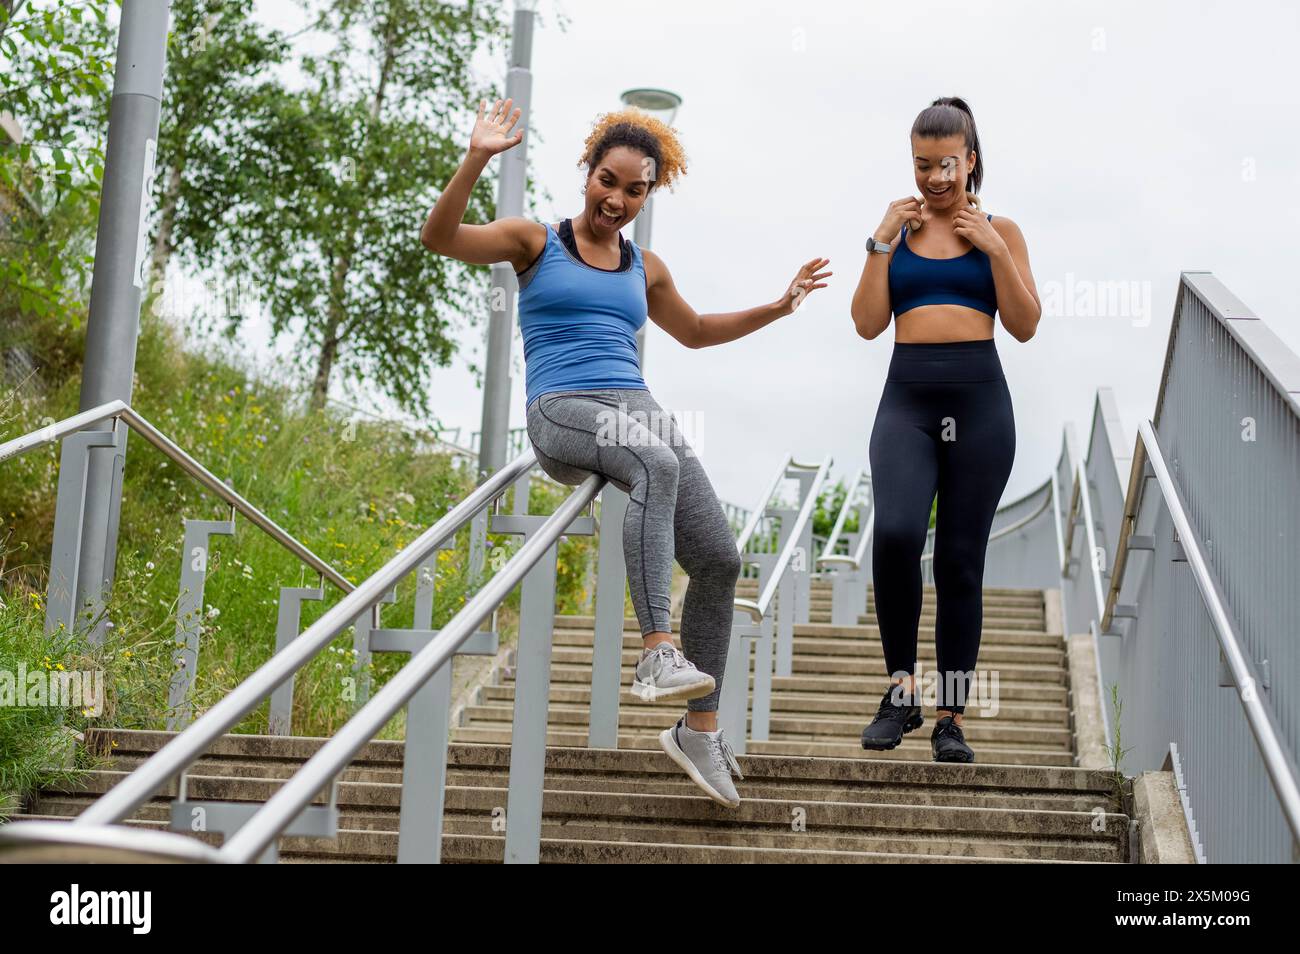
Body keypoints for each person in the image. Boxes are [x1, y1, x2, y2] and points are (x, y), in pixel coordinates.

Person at [420, 98, 830, 805]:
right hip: (563, 409)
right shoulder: (534, 241)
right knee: (656, 463)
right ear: (588, 173)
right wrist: (478, 157)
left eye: (634, 189)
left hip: (638, 408)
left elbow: (696, 331)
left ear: (649, 193)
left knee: (719, 558)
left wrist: (778, 305)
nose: (616, 199)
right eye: (607, 181)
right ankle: (654, 653)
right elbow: (441, 237)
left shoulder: (647, 267)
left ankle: (699, 729)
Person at [849, 96, 1041, 763]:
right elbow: (867, 323)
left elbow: (1025, 323)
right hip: (907, 401)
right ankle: (899, 691)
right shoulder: (896, 232)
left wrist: (993, 250)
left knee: (960, 562)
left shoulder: (1002, 230)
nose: (934, 178)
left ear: (971, 160)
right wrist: (877, 241)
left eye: (947, 164)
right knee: (898, 532)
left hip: (982, 404)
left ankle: (950, 716)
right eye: (922, 164)